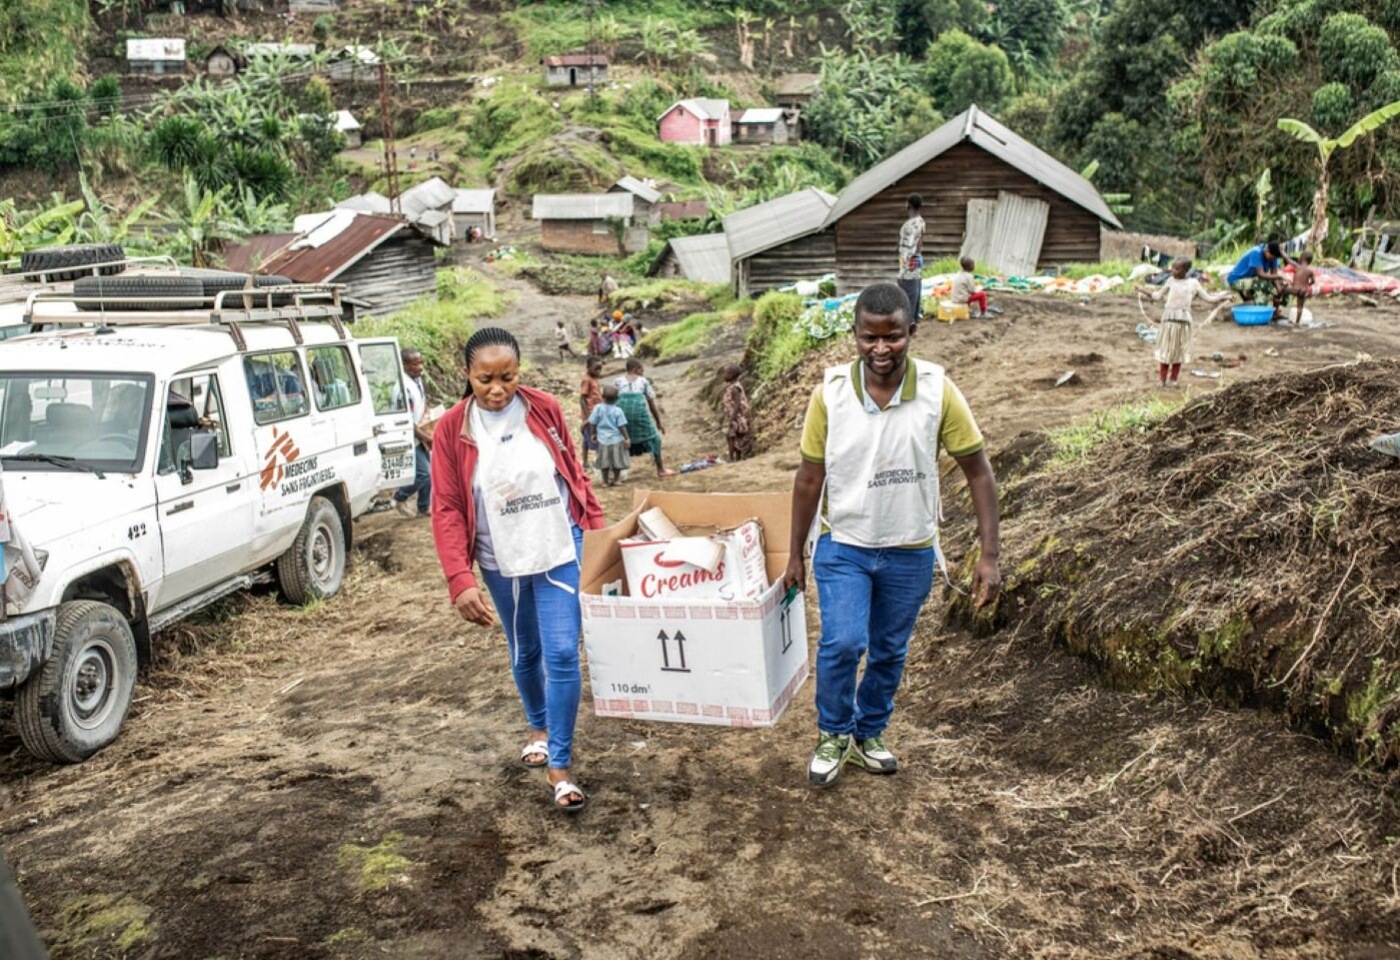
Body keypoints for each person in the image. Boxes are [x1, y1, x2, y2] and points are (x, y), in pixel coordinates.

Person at [783, 281, 1001, 787]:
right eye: (869, 338)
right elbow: (809, 477)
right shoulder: (831, 395)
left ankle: (868, 733)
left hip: (910, 550)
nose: (881, 349)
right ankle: (834, 733)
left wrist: (989, 555)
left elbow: (979, 472)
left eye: (893, 338)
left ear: (912, 333)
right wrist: (794, 553)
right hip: (845, 546)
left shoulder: (938, 391)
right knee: (842, 641)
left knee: (888, 649)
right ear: (854, 336)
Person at [430, 328, 604, 813]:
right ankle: (539, 727)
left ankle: (561, 766)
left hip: (558, 546)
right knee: (526, 650)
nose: (497, 389)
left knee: (564, 653)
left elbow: (573, 470)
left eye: (508, 377)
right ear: (469, 376)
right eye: (486, 379)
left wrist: (597, 529)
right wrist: (459, 579)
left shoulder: (543, 408)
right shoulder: (451, 430)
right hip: (499, 558)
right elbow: (445, 507)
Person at [1136, 257, 1232, 388]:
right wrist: (1142, 290)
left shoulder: (1194, 283)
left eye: (1177, 269)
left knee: (1178, 352)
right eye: (1173, 268)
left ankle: (1173, 379)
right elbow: (1157, 296)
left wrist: (1224, 297)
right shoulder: (1170, 281)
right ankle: (1162, 379)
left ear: (1186, 270)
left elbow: (1209, 298)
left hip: (1183, 322)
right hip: (1168, 321)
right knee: (1165, 351)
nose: (1173, 271)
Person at [613, 358, 676, 478]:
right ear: (638, 369)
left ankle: (616, 475)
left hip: (621, 418)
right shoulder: (643, 381)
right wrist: (658, 422)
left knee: (620, 441)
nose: (643, 372)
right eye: (642, 370)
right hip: (640, 416)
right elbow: (651, 404)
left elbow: (611, 399)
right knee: (654, 439)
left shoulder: (617, 381)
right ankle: (661, 469)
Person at [393, 347, 433, 519]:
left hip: (420, 433)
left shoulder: (416, 380)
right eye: (416, 364)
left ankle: (423, 507)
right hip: (410, 437)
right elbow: (407, 421)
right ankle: (398, 497)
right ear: (405, 366)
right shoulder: (403, 389)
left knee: (429, 472)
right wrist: (426, 437)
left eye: (420, 362)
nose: (420, 367)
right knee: (424, 474)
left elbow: (421, 403)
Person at [1226, 241, 1289, 312]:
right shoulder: (1256, 252)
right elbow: (1261, 275)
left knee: (1282, 284)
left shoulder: (1274, 257)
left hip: (1251, 280)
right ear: (1267, 250)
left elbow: (1274, 276)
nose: (1272, 260)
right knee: (1262, 282)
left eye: (1274, 258)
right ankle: (1260, 309)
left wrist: (1279, 291)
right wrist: (1279, 277)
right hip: (1236, 281)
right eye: (1271, 257)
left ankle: (1275, 311)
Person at [587, 385, 631, 486]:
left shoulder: (598, 408)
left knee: (604, 461)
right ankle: (616, 479)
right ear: (617, 398)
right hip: (616, 440)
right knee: (617, 460)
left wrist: (593, 434)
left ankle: (605, 481)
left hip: (602, 440)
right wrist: (627, 438)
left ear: (602, 396)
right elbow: (622, 427)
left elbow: (593, 422)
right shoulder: (618, 411)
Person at [896, 193, 926, 323]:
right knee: (915, 290)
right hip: (917, 259)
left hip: (909, 262)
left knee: (907, 292)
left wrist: (904, 268)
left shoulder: (909, 225)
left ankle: (908, 322)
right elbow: (919, 243)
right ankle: (914, 317)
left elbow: (908, 247)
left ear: (908, 205)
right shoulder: (921, 221)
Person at [721, 363, 753, 461]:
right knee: (736, 438)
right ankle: (737, 457)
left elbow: (737, 404)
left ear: (731, 375)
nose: (724, 375)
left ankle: (732, 458)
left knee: (730, 436)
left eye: (726, 373)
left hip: (738, 417)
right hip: (736, 416)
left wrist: (732, 419)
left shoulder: (735, 388)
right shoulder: (732, 386)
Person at [579, 357, 603, 469]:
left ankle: (585, 462)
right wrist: (589, 417)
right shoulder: (587, 380)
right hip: (591, 415)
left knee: (586, 438)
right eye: (596, 369)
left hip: (595, 413)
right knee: (594, 437)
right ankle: (599, 461)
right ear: (588, 368)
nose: (598, 371)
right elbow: (582, 399)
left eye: (600, 369)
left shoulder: (594, 378)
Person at [1286, 250, 1315, 325]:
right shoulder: (1310, 271)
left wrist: (1283, 253)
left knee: (1282, 290)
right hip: (1303, 290)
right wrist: (1307, 284)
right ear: (1310, 261)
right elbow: (1313, 281)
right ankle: (1297, 322)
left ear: (1301, 258)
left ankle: (1278, 298)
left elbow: (1288, 260)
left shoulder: (1297, 266)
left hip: (1294, 289)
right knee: (1300, 307)